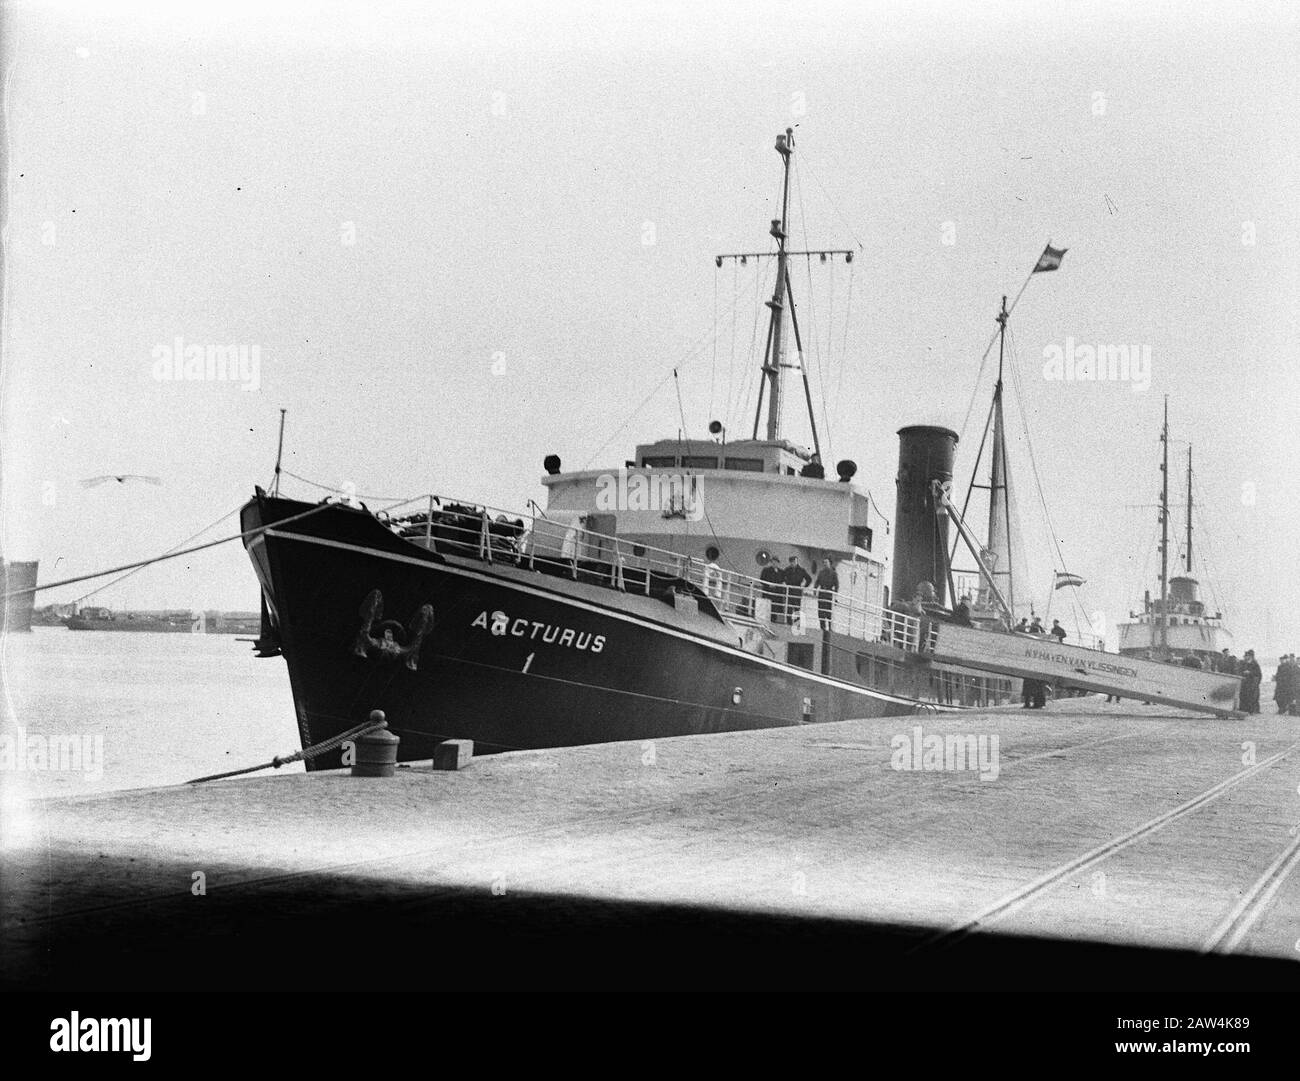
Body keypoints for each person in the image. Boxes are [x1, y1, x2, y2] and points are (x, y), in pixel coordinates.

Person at [782, 555, 811, 629]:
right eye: (791, 562)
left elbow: (809, 579)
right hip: (789, 591)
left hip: (797, 591)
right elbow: (781, 577)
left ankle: (797, 625)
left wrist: (804, 586)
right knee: (789, 609)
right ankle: (789, 624)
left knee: (797, 609)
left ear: (797, 561)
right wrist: (785, 582)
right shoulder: (787, 570)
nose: (793, 563)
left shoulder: (801, 570)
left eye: (794, 561)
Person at [814, 557, 839, 631]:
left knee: (829, 612)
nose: (825, 564)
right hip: (822, 593)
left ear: (830, 563)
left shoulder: (833, 573)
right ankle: (822, 627)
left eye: (826, 562)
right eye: (824, 562)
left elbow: (836, 584)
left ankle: (830, 627)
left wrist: (835, 595)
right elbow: (817, 581)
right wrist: (815, 589)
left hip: (828, 593)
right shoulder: (821, 572)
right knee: (821, 611)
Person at [758, 556, 783, 623]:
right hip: (767, 592)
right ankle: (764, 619)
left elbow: (782, 581)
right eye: (773, 562)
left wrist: (778, 586)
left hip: (776, 593)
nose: (774, 563)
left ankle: (773, 620)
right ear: (771, 563)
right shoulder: (766, 570)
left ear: (778, 563)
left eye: (776, 562)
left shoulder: (781, 572)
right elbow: (761, 580)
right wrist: (768, 585)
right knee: (766, 606)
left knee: (775, 607)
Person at [1239, 649, 1262, 714]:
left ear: (1251, 656)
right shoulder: (1245, 663)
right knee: (1244, 696)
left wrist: (1250, 672)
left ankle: (1251, 710)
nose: (1246, 657)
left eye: (1248, 655)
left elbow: (1258, 673)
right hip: (1245, 682)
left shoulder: (1255, 664)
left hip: (1251, 683)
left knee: (1251, 697)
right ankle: (1244, 709)